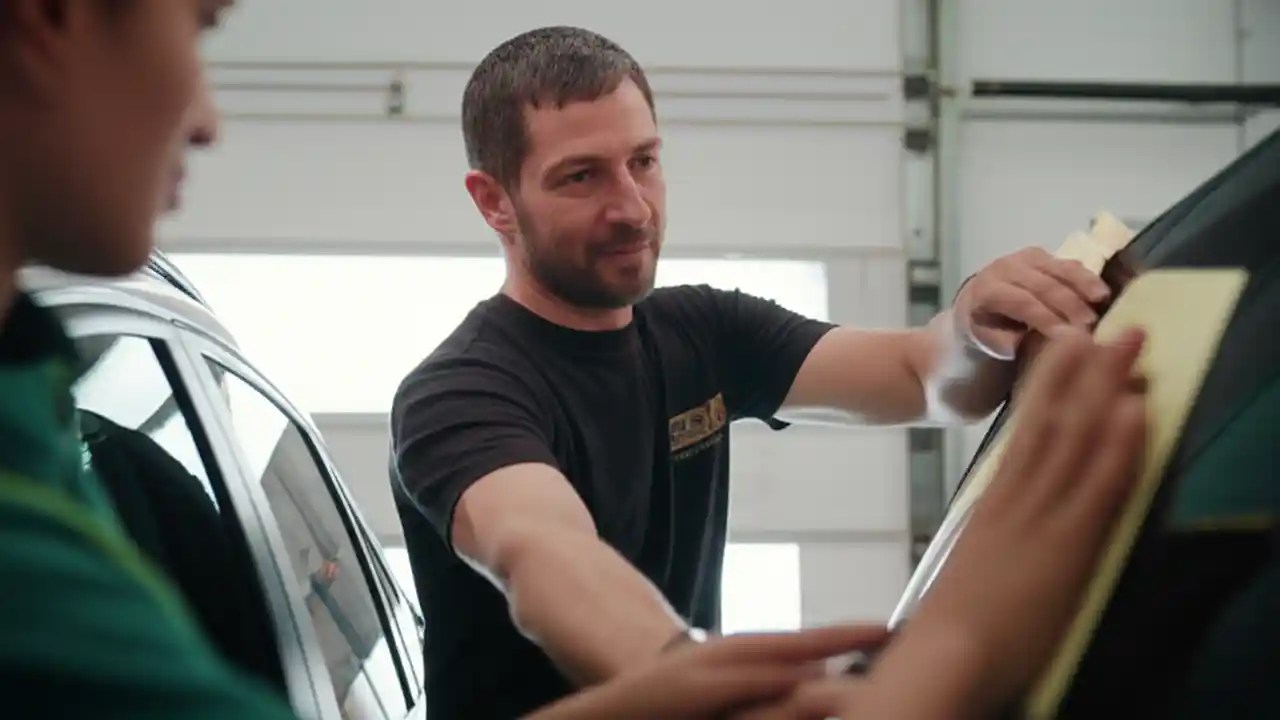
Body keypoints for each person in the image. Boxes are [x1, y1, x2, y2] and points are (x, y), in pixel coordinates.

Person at [389, 24, 1118, 719]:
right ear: (495, 203)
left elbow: (919, 377)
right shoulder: (460, 393)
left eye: (644, 161)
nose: (633, 207)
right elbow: (544, 554)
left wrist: (975, 326)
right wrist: (694, 673)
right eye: (581, 177)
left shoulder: (705, 333)